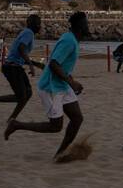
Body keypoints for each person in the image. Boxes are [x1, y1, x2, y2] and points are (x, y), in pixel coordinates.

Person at [5, 10, 89, 157]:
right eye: (86, 23)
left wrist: (73, 82)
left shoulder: (72, 40)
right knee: (56, 126)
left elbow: (61, 65)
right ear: (80, 26)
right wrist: (71, 82)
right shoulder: (69, 40)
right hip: (50, 87)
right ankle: (16, 125)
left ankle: (60, 154)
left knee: (77, 119)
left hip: (61, 85)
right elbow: (54, 64)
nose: (88, 26)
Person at [0, 14, 43, 120]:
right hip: (12, 68)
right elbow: (21, 48)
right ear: (34, 25)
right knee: (21, 96)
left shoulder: (27, 33)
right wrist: (32, 67)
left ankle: (12, 118)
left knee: (28, 93)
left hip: (15, 66)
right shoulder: (28, 33)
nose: (40, 26)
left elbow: (20, 55)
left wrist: (37, 64)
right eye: (39, 24)